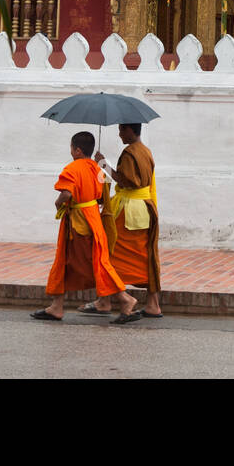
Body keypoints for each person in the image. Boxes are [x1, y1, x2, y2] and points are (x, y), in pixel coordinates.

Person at [32, 131, 141, 324]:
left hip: (79, 223)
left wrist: (58, 204)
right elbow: (102, 194)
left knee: (96, 263)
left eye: (72, 148)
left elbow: (66, 194)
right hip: (93, 219)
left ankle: (125, 299)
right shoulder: (96, 168)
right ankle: (56, 306)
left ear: (77, 150)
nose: (71, 151)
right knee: (66, 261)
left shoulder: (72, 169)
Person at [90, 123, 162, 317]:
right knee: (146, 256)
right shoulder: (146, 151)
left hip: (130, 210)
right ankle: (152, 304)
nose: (119, 133)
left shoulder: (130, 153)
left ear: (132, 130)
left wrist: (102, 164)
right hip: (145, 208)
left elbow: (125, 181)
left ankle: (105, 301)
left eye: (122, 129)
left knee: (109, 252)